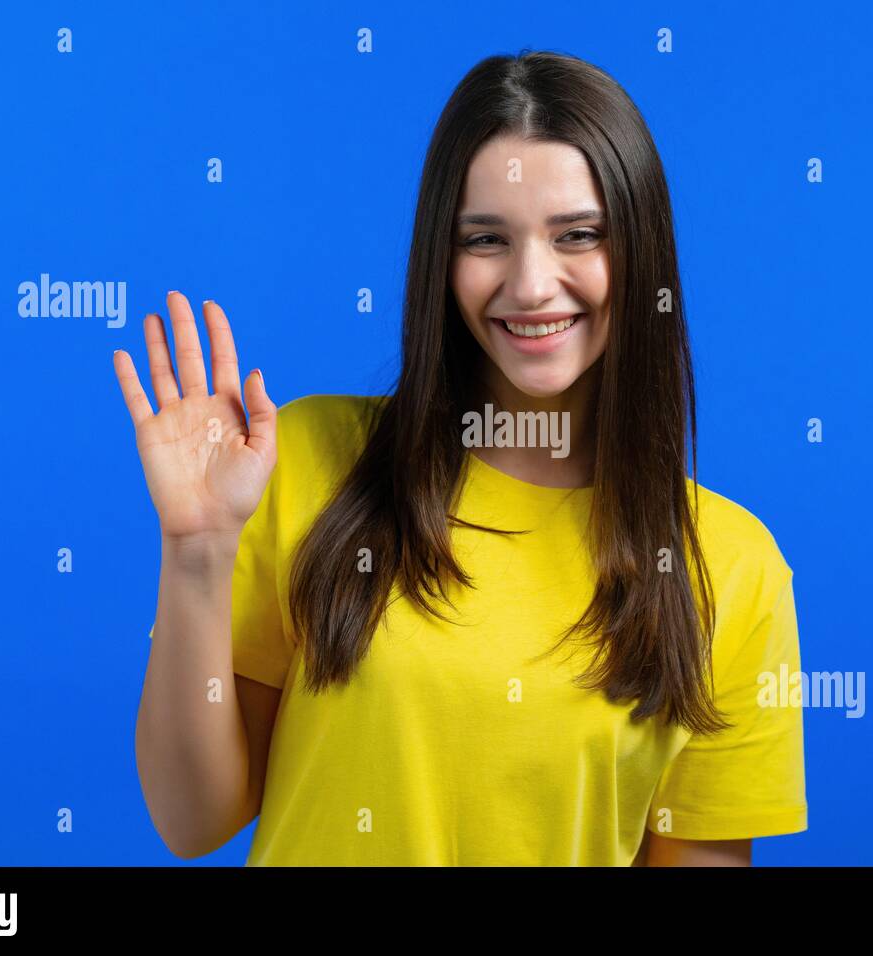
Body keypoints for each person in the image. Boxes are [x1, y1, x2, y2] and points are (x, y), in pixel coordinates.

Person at [114, 49, 806, 866]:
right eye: (486, 239)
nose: (532, 284)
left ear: (642, 252)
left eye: (578, 235)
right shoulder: (304, 459)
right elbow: (192, 822)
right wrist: (196, 551)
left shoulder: (729, 566)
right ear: (441, 263)